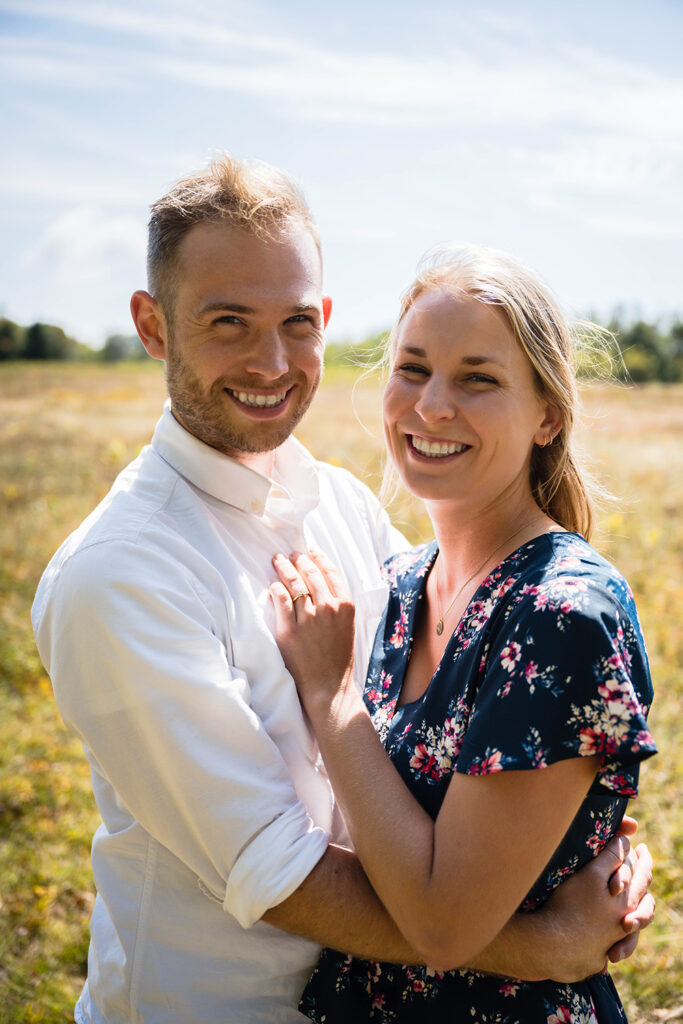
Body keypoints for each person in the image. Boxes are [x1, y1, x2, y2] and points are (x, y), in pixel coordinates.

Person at [32, 159, 653, 1024]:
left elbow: (477, 728)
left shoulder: (346, 511)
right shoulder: (122, 575)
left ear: (325, 322)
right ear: (153, 325)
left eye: (295, 322)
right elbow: (278, 875)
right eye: (227, 322)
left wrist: (582, 837)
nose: (270, 360)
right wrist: (545, 941)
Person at [271, 244, 657, 1022]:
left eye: (477, 379)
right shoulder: (401, 584)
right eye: (411, 368)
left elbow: (444, 926)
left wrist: (331, 693)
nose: (431, 405)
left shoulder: (561, 615)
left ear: (548, 414)